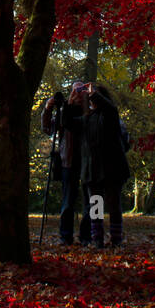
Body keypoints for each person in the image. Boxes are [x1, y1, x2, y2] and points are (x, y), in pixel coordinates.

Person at [80, 83, 130, 248]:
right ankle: (97, 239)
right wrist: (71, 101)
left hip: (112, 167)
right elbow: (68, 123)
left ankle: (116, 239)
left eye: (95, 97)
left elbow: (109, 108)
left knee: (113, 203)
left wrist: (93, 93)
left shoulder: (110, 114)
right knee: (96, 204)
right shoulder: (88, 118)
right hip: (93, 169)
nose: (92, 100)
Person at [40, 83, 91, 246]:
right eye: (75, 91)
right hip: (68, 161)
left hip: (90, 163)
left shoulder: (92, 112)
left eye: (81, 91)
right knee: (68, 201)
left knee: (94, 200)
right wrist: (48, 108)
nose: (78, 95)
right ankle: (66, 236)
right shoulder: (63, 113)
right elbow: (47, 128)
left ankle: (91, 235)